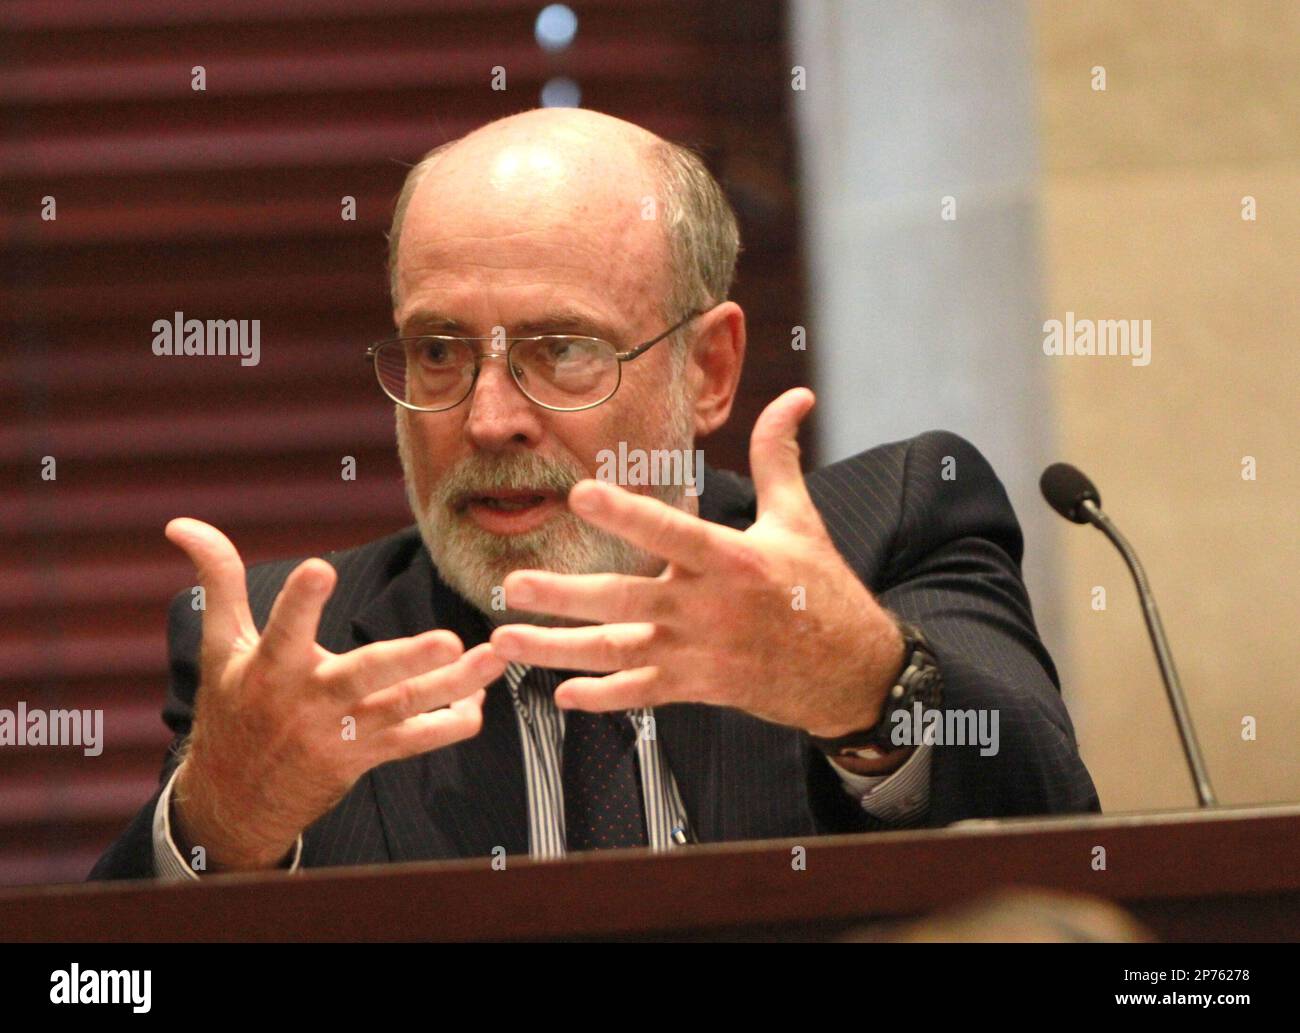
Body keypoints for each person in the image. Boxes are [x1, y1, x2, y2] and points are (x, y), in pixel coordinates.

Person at [90, 107, 1098, 881]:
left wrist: (863, 685)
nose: (488, 419)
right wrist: (216, 826)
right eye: (438, 351)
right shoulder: (294, 658)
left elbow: (1066, 848)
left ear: (706, 370)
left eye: (559, 349)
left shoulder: (889, 531)